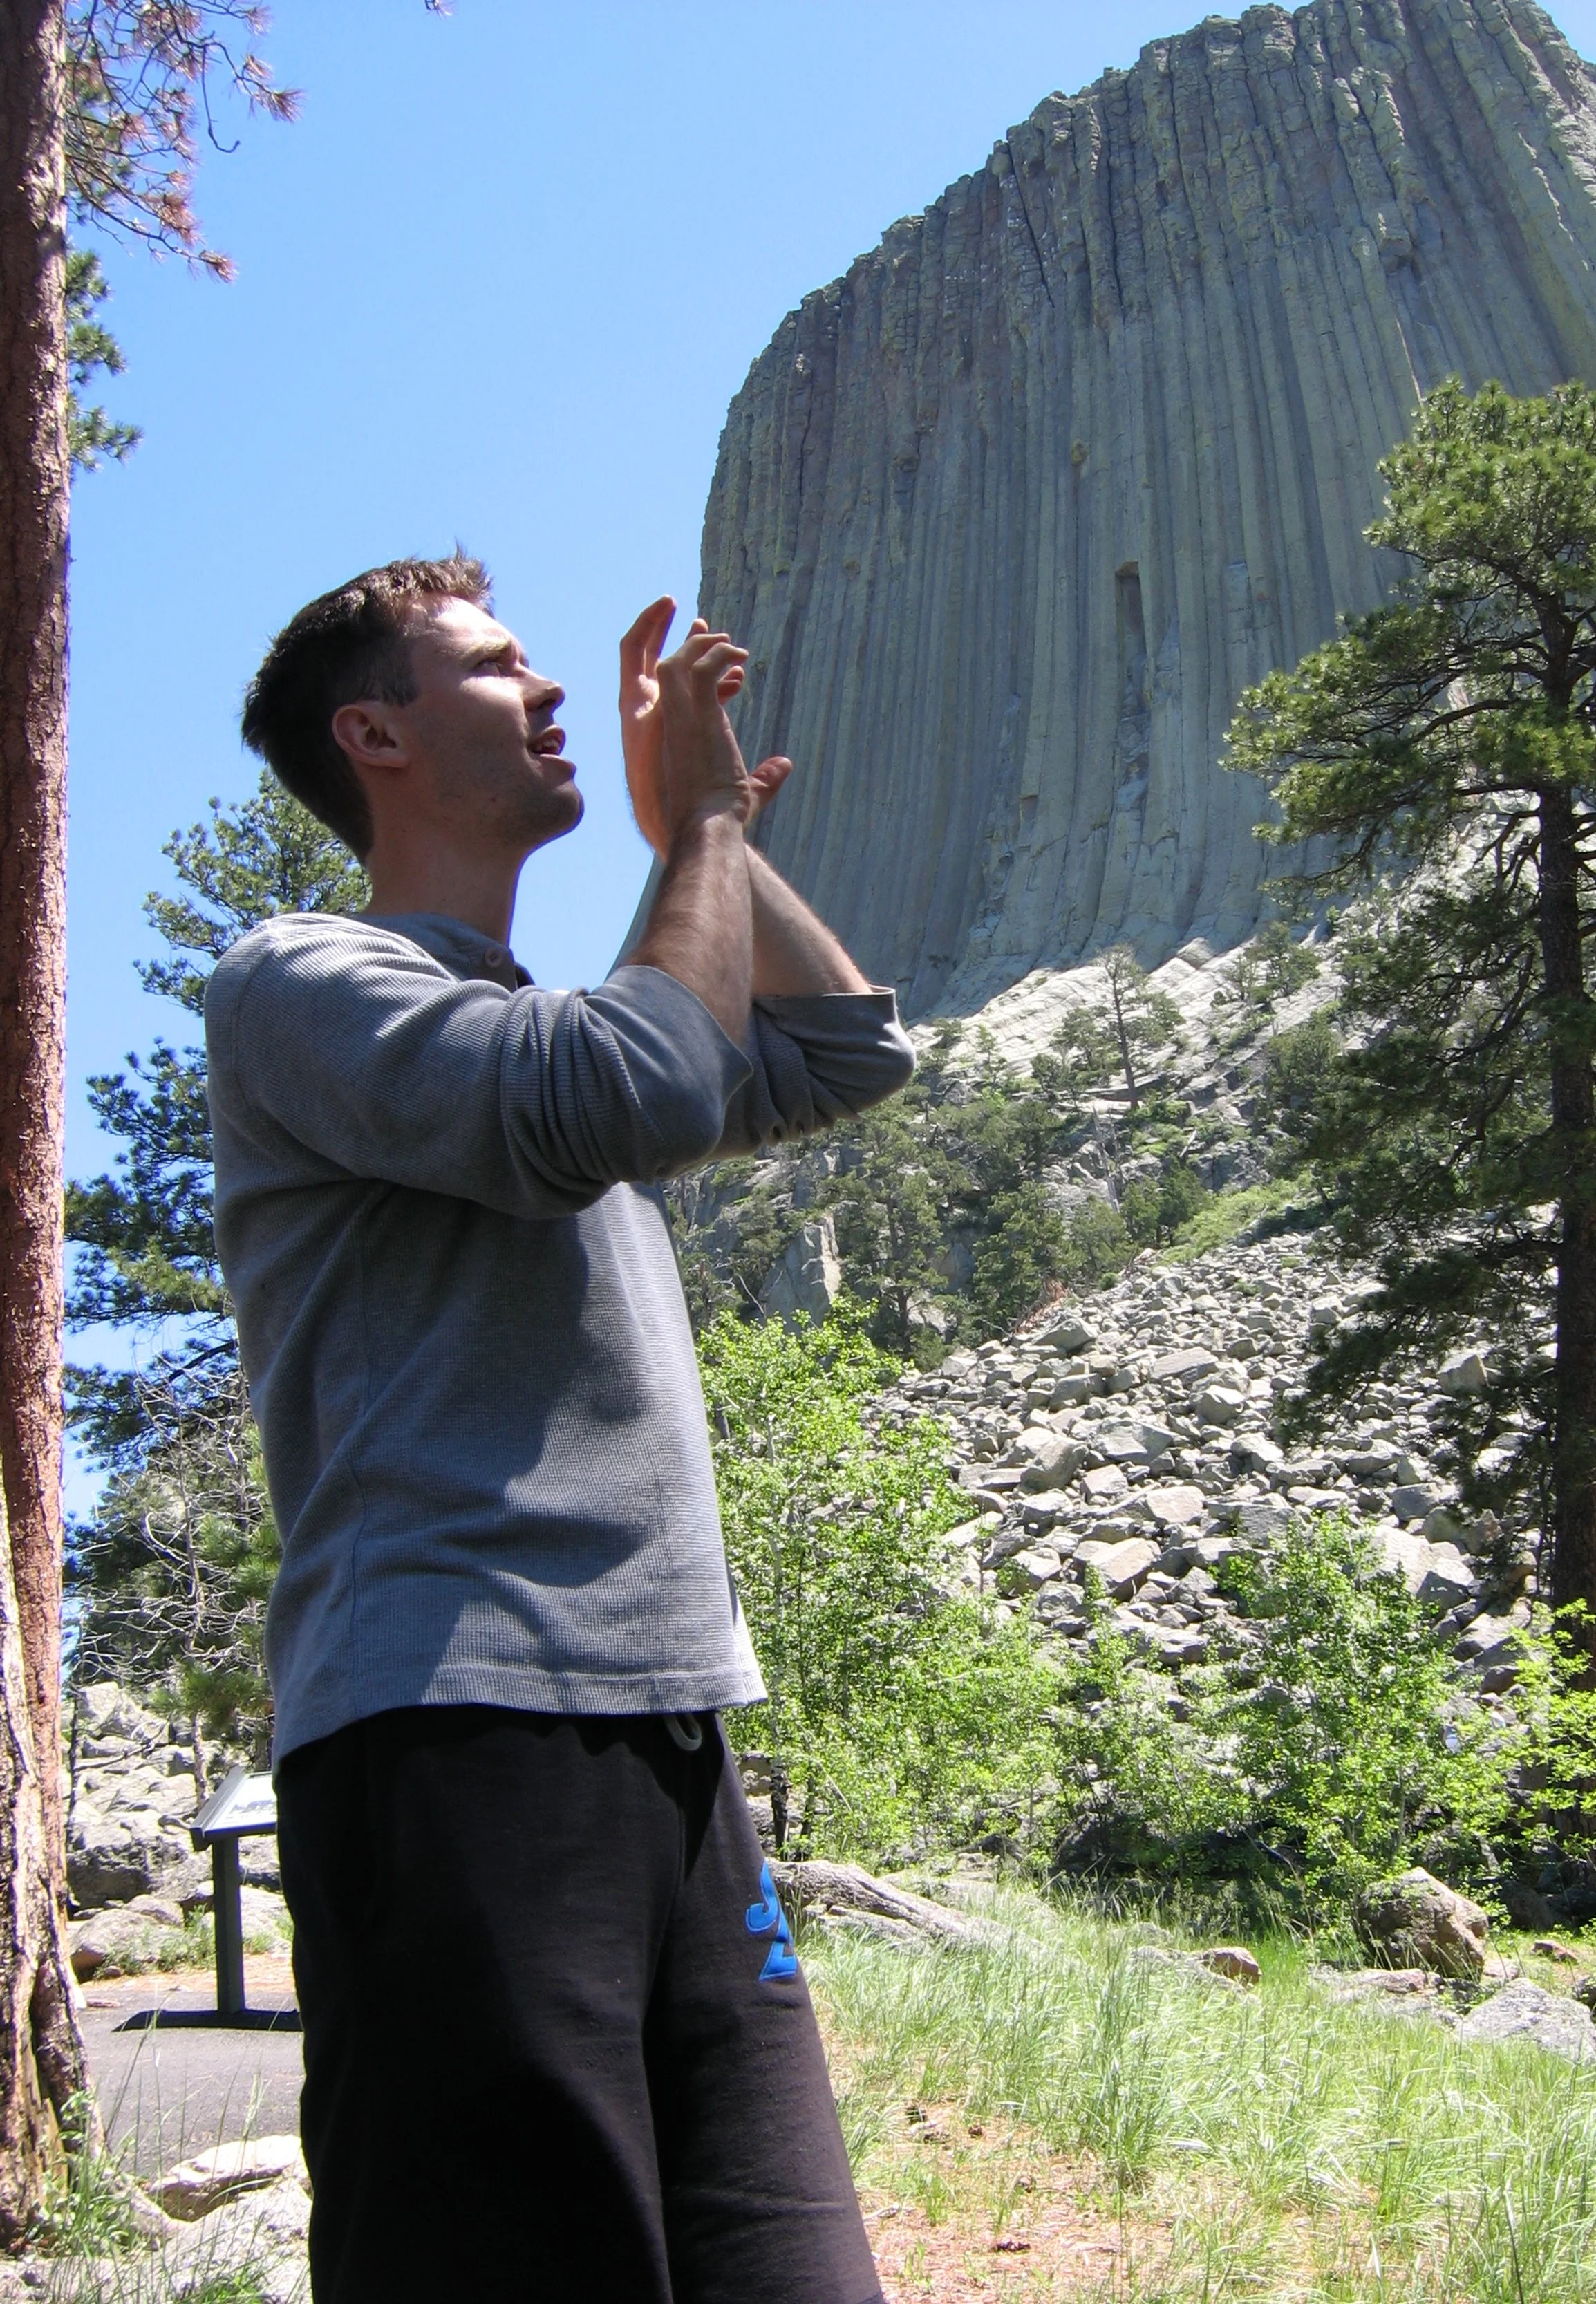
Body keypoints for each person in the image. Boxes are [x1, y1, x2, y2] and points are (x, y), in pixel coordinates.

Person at [205, 552, 912, 2304]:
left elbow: (839, 1054)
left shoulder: (544, 1020)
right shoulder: (300, 976)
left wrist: (717, 832)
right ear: (372, 732)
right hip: (451, 1724)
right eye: (492, 666)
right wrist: (690, 840)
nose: (541, 694)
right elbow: (630, 1090)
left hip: (668, 1732)